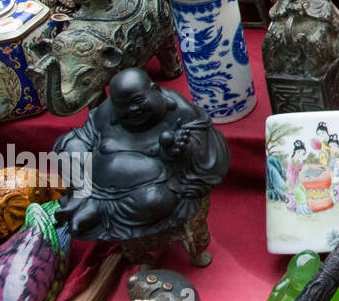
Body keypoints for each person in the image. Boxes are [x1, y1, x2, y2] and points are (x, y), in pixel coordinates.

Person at [52, 68, 229, 241]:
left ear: (155, 90)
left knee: (156, 200)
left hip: (143, 190)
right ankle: (82, 196)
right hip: (92, 178)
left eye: (138, 100)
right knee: (67, 144)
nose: (133, 109)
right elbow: (83, 136)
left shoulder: (183, 114)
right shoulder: (108, 110)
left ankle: (97, 208)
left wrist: (177, 153)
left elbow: (207, 157)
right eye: (123, 105)